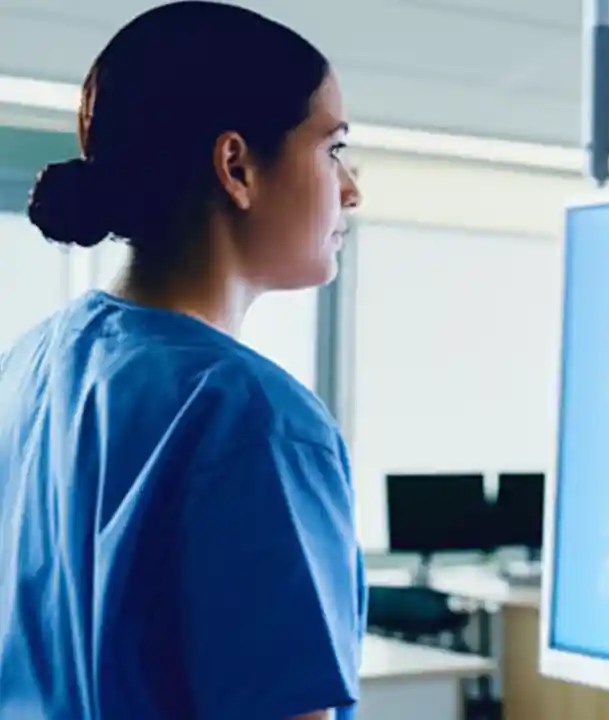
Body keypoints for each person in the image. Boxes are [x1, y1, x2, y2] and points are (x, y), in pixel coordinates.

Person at [0, 3, 365, 719]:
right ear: (237, 166)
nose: (351, 188)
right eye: (332, 149)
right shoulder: (251, 417)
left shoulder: (26, 367)